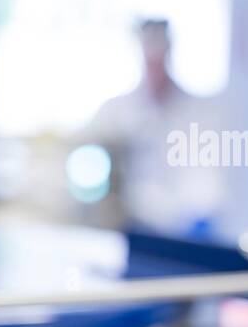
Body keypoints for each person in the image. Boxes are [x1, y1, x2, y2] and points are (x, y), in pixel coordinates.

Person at [78, 19, 226, 236]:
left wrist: (200, 216)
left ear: (170, 52)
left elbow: (210, 183)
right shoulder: (116, 111)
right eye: (149, 57)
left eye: (160, 56)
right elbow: (86, 158)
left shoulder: (200, 114)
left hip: (183, 228)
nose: (155, 65)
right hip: (131, 227)